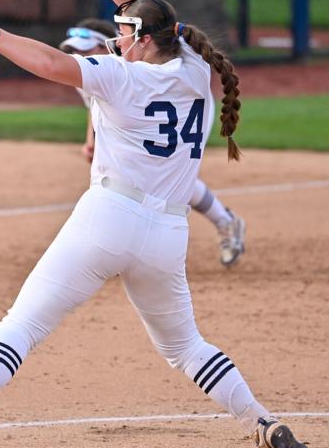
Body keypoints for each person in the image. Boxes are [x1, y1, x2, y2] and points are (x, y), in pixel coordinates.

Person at [0, 0, 310, 448]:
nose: (115, 39)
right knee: (187, 347)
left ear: (142, 40)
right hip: (166, 235)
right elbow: (144, 7)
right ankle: (262, 422)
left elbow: (50, 64)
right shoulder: (194, 67)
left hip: (106, 219)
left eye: (122, 33)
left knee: (20, 326)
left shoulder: (120, 77)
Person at [60, 19, 247, 268]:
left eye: (85, 49)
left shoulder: (129, 68)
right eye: (73, 50)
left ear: (109, 47)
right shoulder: (90, 69)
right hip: (150, 114)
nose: (77, 55)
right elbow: (96, 105)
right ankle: (123, 245)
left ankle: (225, 222)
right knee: (147, 176)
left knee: (169, 174)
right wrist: (91, 140)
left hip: (183, 104)